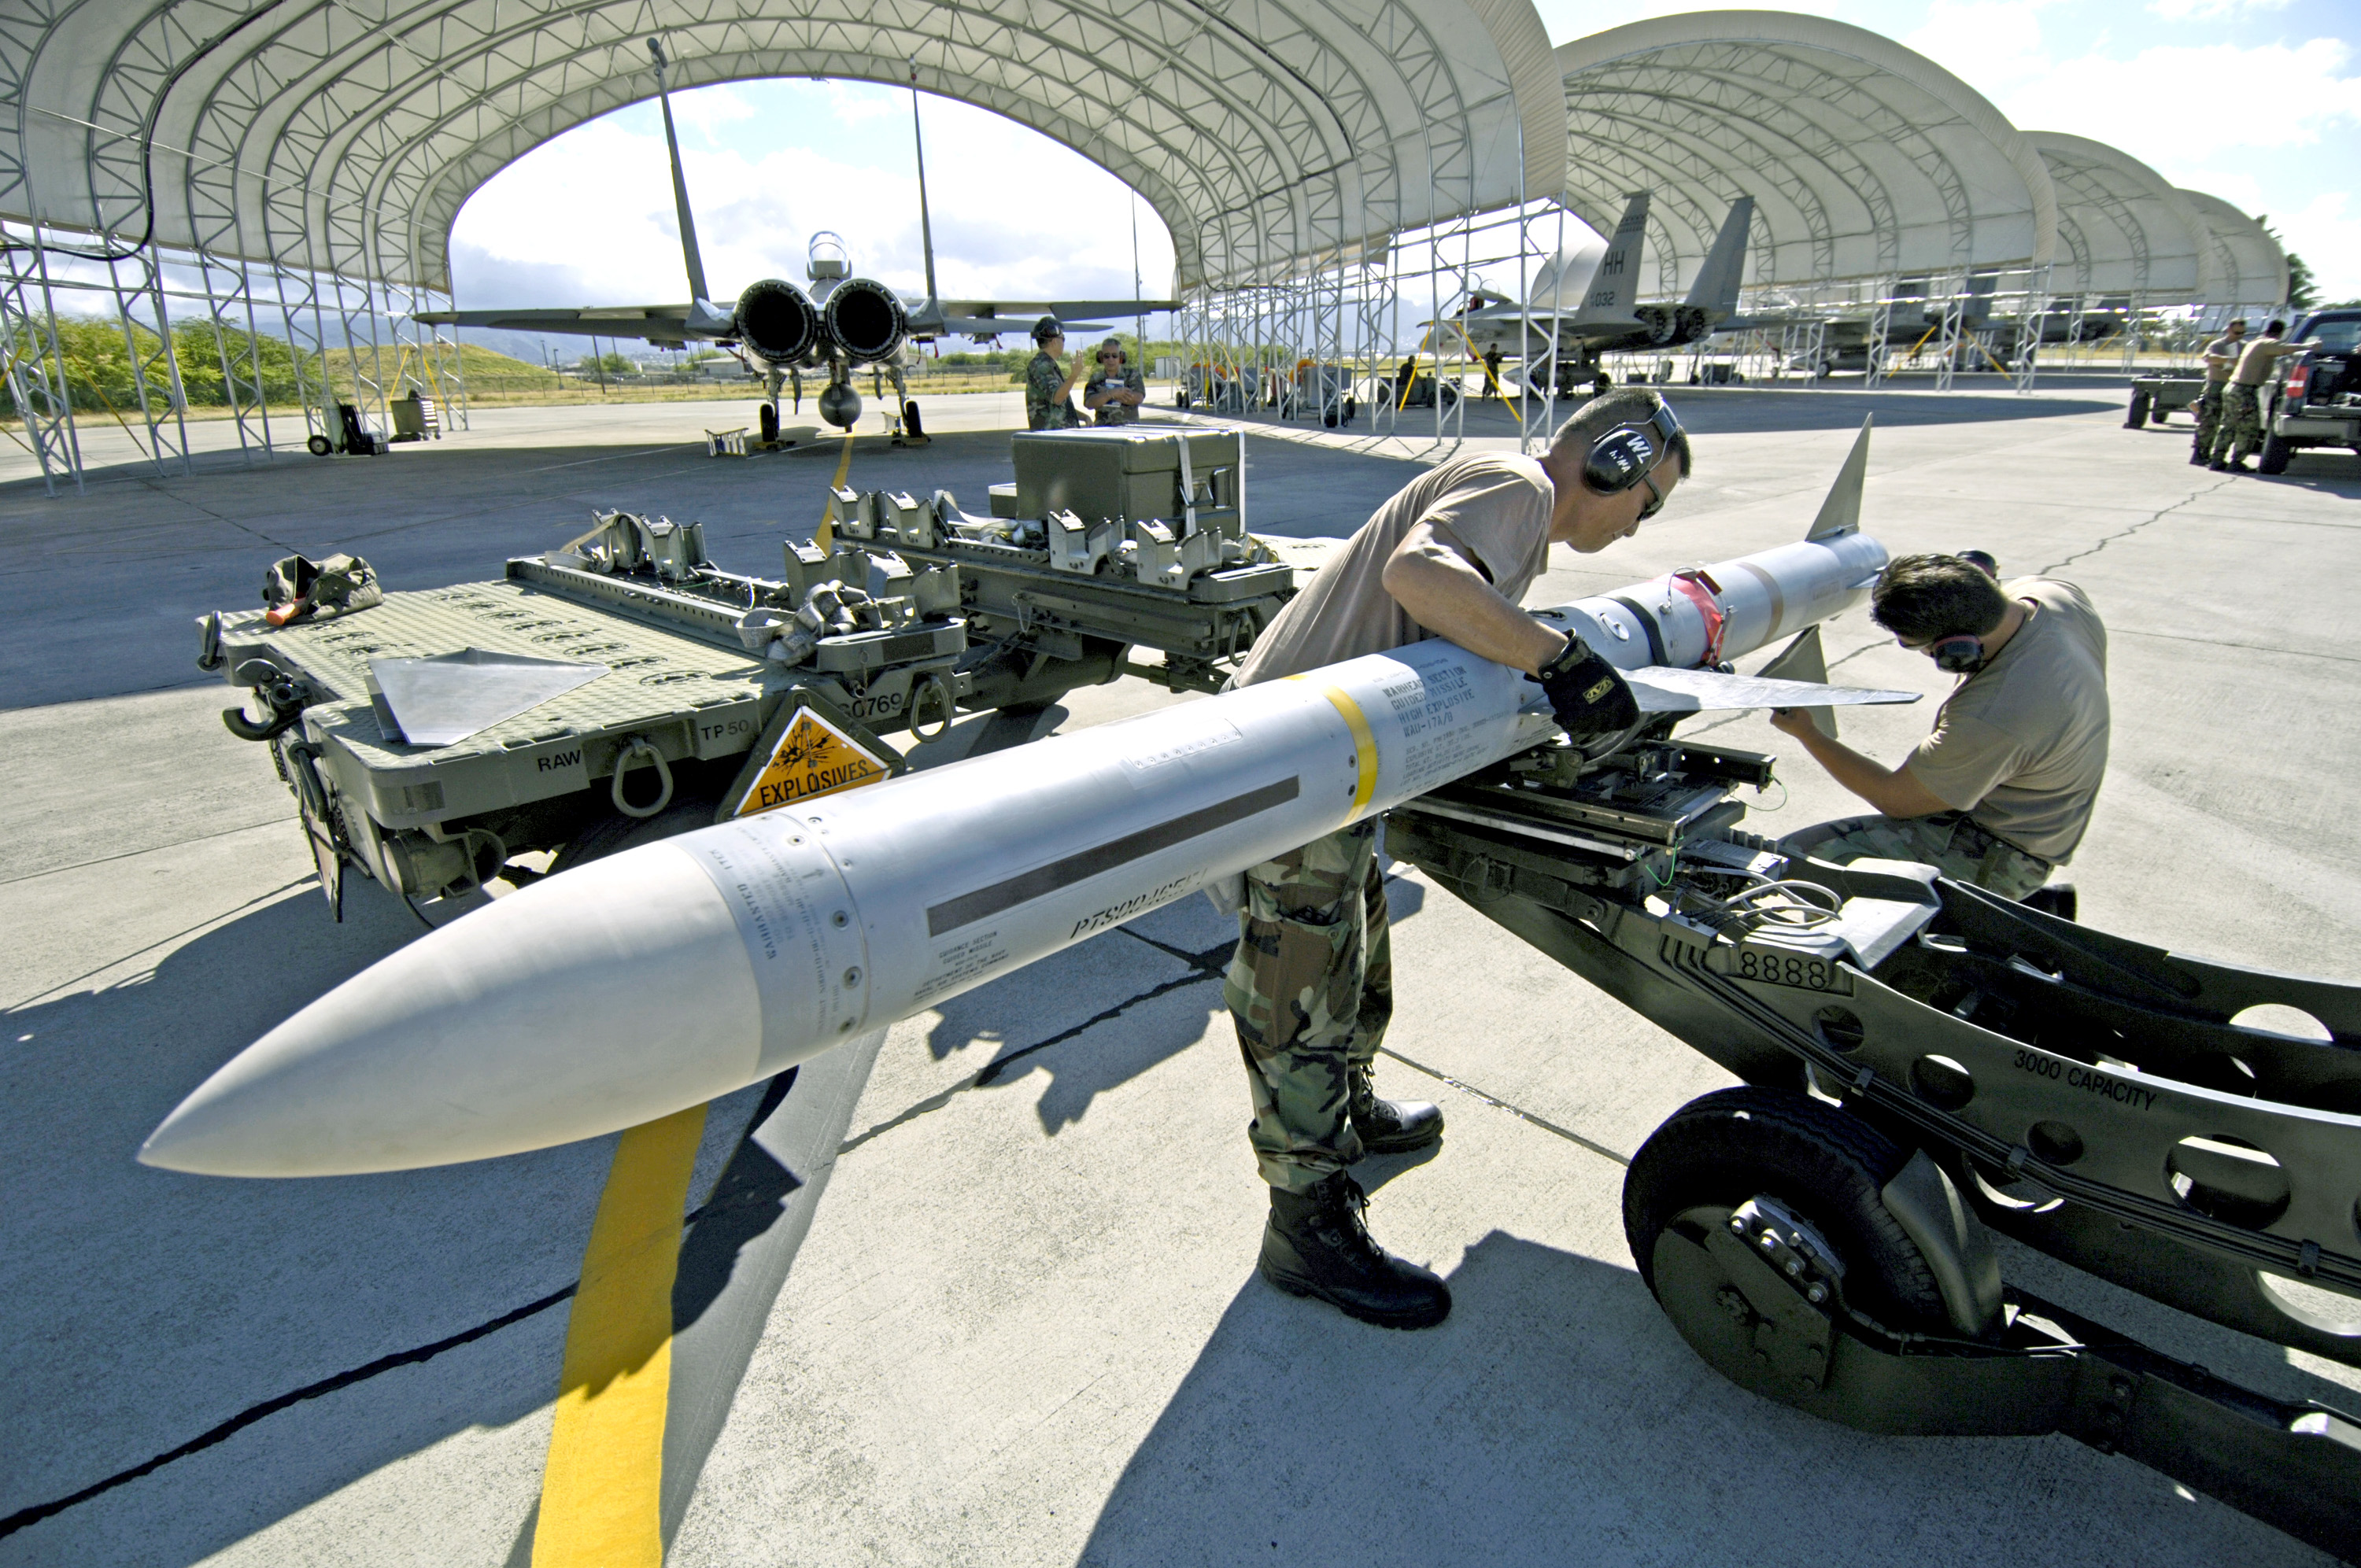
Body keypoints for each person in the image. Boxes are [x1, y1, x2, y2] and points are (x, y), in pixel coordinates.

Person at [1222, 389, 1691, 1330]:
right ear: (1615, 462)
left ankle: (1345, 1107)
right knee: (1300, 984)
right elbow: (1421, 573)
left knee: (1355, 943)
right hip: (1291, 769)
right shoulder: (1516, 486)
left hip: (1335, 768)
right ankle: (1302, 1222)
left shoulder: (1509, 506)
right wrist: (1560, 660)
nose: (1646, 521)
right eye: (1652, 499)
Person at [1769, 552, 2108, 905]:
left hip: (2000, 847)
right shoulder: (2054, 596)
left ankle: (1979, 913)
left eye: (1916, 646)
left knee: (1800, 860)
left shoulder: (1993, 716)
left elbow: (1895, 798)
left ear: (1953, 649)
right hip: (2041, 811)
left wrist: (1809, 734)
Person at [2206, 319, 2311, 472]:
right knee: (2248, 428)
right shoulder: (2266, 343)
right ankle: (2237, 461)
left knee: (2228, 426)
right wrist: (2310, 346)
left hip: (2233, 388)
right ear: (2279, 333)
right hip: (2244, 391)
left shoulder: (2255, 342)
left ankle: (2217, 459)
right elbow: (2285, 349)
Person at [2189, 317, 2247, 465]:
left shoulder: (2244, 346)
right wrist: (2228, 360)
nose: (2239, 336)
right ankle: (2200, 452)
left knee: (2231, 423)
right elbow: (2208, 358)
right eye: (2236, 332)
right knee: (2208, 421)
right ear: (2229, 330)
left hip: (2234, 386)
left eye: (2242, 333)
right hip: (2216, 386)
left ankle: (2220, 456)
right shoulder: (2218, 344)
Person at [1024, 316, 1088, 430]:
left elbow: (1058, 406)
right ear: (1054, 342)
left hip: (1056, 437)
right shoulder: (1041, 365)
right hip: (1051, 438)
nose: (1064, 342)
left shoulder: (1047, 364)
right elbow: (1057, 398)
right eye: (1063, 338)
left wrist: (1084, 417)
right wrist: (1074, 375)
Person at [1084, 338, 1147, 425]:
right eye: (1107, 356)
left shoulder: (1132, 375)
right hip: (1104, 431)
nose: (1110, 359)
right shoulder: (1096, 378)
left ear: (1121, 357)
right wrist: (1111, 393)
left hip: (1129, 429)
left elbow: (1138, 398)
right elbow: (1089, 403)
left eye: (1114, 356)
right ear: (1101, 357)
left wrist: (1104, 396)